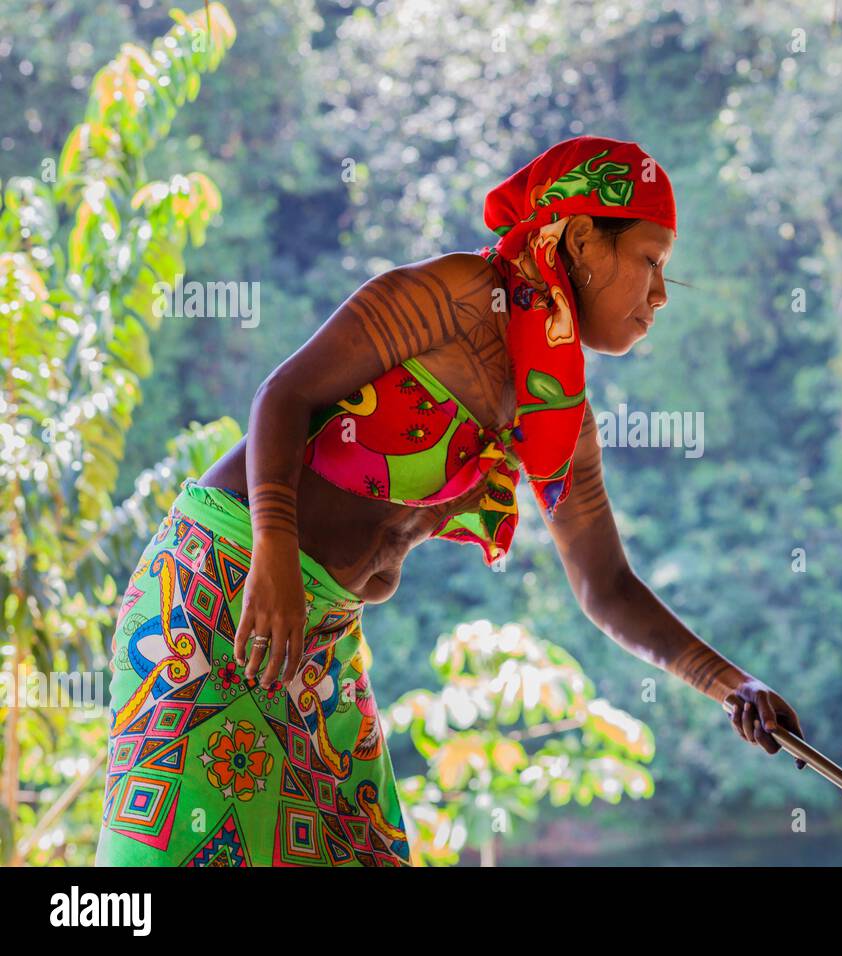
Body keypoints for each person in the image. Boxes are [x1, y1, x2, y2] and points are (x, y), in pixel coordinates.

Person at [95, 135, 805, 867]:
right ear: (583, 240)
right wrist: (274, 555)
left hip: (323, 630)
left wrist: (734, 685)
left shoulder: (556, 416)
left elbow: (606, 586)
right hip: (227, 585)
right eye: (651, 261)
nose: (660, 294)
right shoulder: (455, 295)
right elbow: (283, 394)